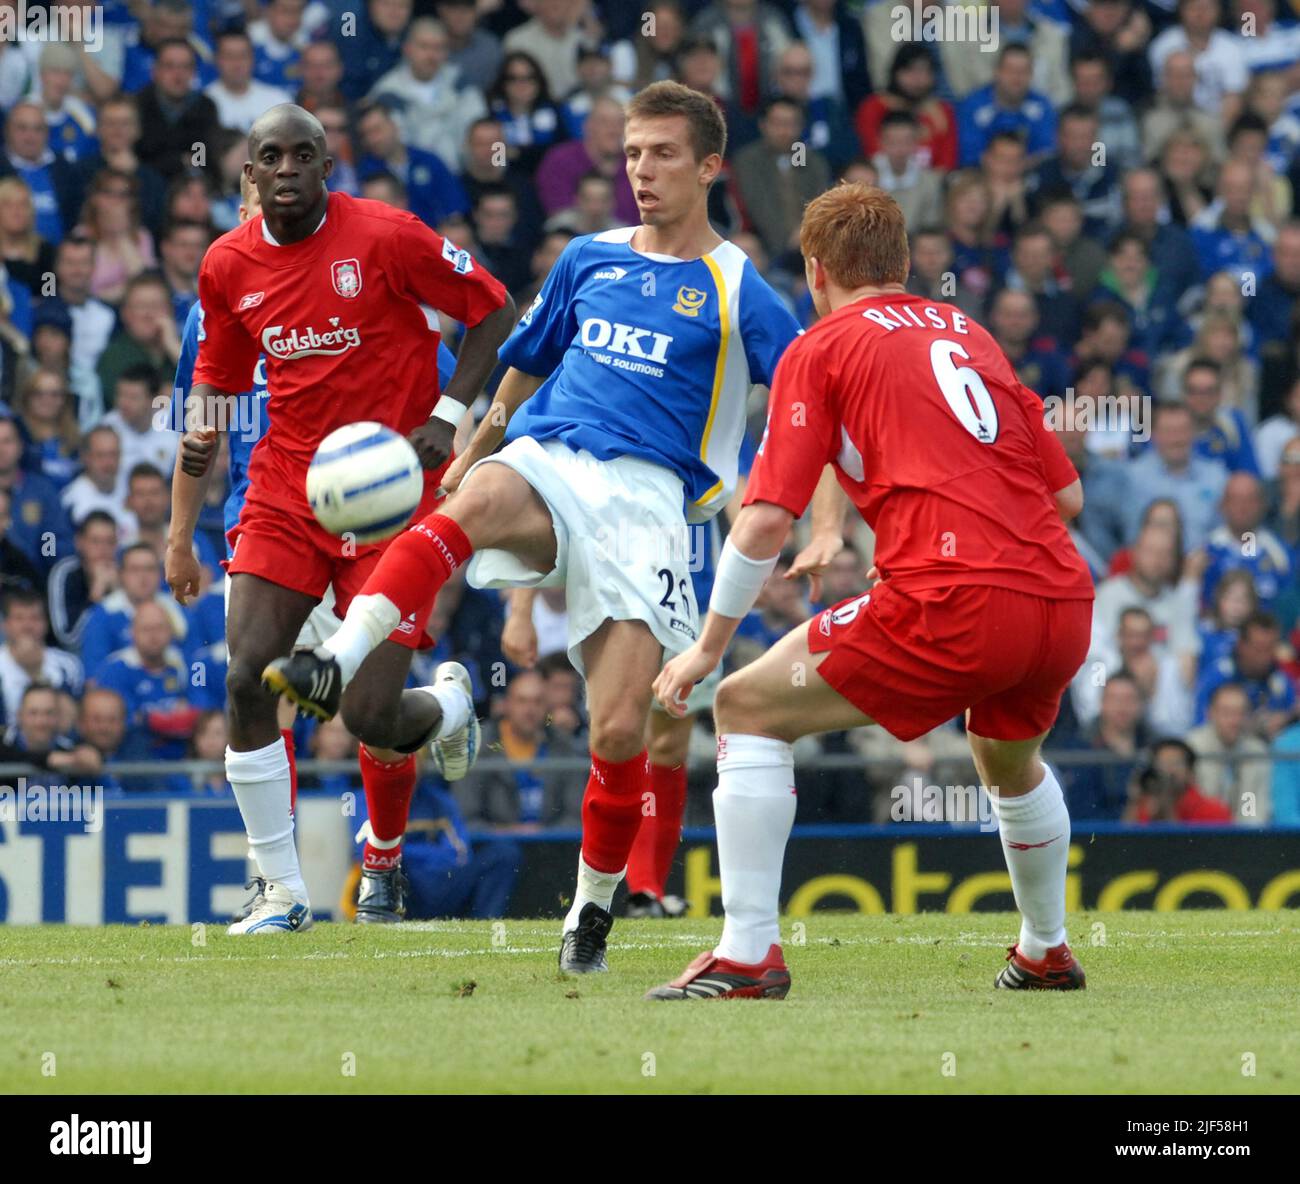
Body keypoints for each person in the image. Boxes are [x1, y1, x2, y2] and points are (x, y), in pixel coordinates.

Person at [268, 82, 807, 972]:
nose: (642, 170)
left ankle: (592, 909)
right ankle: (335, 660)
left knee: (620, 734)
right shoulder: (589, 256)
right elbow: (523, 361)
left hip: (647, 502)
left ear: (710, 167)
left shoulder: (736, 284)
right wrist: (479, 443)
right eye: (632, 152)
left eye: (664, 153)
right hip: (553, 456)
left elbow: (805, 391)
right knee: (469, 504)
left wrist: (806, 503)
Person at [648, 181, 1095, 999]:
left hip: (952, 600)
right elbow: (1068, 499)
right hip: (1061, 600)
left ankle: (747, 953)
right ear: (904, 264)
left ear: (816, 272)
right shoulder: (972, 334)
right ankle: (1045, 948)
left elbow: (760, 523)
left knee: (745, 706)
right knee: (1006, 762)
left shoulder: (820, 348)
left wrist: (707, 648)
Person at [165, 104, 512, 936]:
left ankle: (451, 707)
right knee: (248, 676)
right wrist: (192, 471)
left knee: (367, 718)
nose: (286, 169)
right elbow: (216, 370)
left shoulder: (388, 236)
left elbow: (495, 309)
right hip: (287, 489)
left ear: (328, 165)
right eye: (269, 157)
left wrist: (448, 410)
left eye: (303, 155)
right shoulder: (225, 266)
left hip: (393, 501)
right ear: (249, 174)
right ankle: (281, 893)